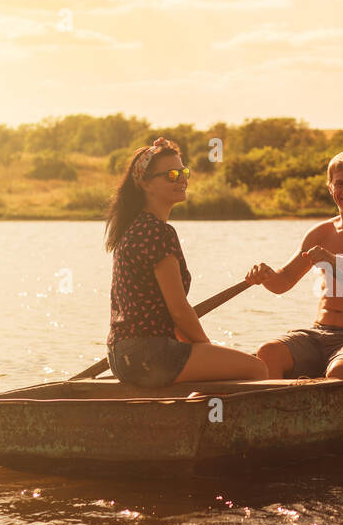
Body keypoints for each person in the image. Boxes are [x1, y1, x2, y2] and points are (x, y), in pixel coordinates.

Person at [104, 137, 267, 386]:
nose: (182, 179)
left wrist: (204, 353)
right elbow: (179, 311)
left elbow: (167, 314)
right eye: (171, 174)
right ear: (146, 184)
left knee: (216, 369)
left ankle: (200, 418)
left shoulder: (133, 228)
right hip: (149, 355)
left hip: (121, 355)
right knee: (257, 369)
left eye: (184, 172)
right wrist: (206, 346)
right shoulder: (157, 232)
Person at [248, 149, 343, 381]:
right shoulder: (320, 232)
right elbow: (284, 282)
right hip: (318, 333)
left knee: (339, 371)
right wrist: (265, 275)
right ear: (330, 187)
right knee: (268, 353)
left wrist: (333, 260)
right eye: (339, 184)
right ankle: (277, 412)